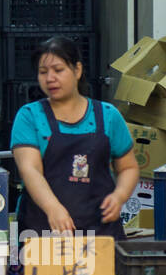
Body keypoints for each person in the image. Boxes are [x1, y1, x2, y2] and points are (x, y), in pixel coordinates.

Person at [11, 36, 140, 238]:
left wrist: (119, 196)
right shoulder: (29, 116)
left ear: (77, 70)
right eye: (43, 72)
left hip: (99, 232)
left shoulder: (108, 115)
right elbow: (30, 169)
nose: (50, 78)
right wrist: (52, 208)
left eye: (58, 70)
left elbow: (129, 167)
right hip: (43, 232)